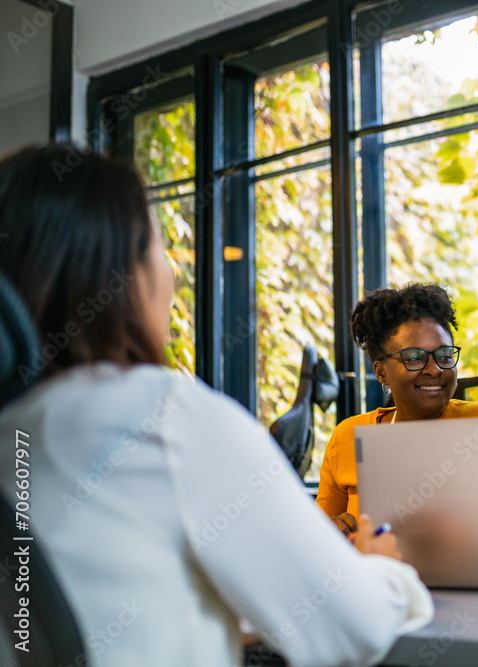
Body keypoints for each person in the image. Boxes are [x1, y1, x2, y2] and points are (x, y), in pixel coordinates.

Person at [0, 145, 433, 666]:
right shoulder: (162, 417)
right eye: (157, 247)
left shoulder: (15, 434)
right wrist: (380, 567)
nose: (172, 275)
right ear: (117, 278)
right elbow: (353, 628)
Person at [316, 284, 478, 529]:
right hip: (379, 566)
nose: (435, 369)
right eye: (414, 357)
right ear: (381, 373)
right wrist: (336, 533)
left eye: (444, 355)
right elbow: (319, 535)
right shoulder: (348, 437)